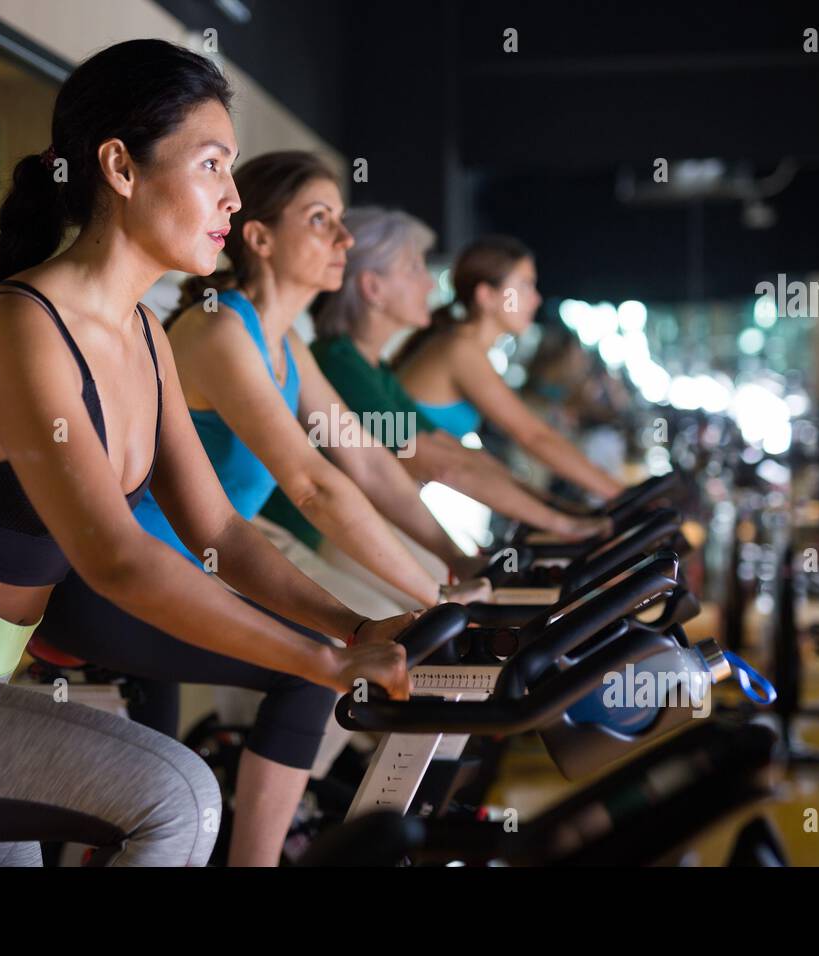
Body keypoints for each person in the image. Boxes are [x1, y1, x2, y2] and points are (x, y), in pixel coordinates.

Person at [0, 38, 407, 868]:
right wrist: (320, 661)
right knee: (177, 796)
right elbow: (117, 560)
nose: (232, 196)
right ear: (121, 168)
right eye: (212, 165)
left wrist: (356, 624)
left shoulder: (144, 332)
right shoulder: (19, 325)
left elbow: (219, 529)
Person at [38, 150, 485, 866]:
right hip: (132, 574)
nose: (343, 238)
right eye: (321, 220)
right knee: (313, 674)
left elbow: (365, 461)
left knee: (142, 795)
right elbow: (313, 484)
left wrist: (458, 566)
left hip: (198, 567)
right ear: (260, 238)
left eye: (343, 222)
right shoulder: (221, 331)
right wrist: (432, 594)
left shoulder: (285, 346)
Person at [264, 206, 612, 554]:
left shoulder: (372, 368)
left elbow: (456, 453)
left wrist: (556, 508)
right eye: (414, 268)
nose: (430, 283)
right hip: (304, 537)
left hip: (344, 529)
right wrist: (572, 516)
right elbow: (461, 460)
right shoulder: (342, 363)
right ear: (372, 288)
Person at [392, 235, 626, 500]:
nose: (536, 299)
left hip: (399, 501)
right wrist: (619, 493)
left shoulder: (464, 347)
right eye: (524, 286)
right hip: (383, 503)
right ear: (487, 296)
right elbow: (533, 436)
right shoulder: (460, 350)